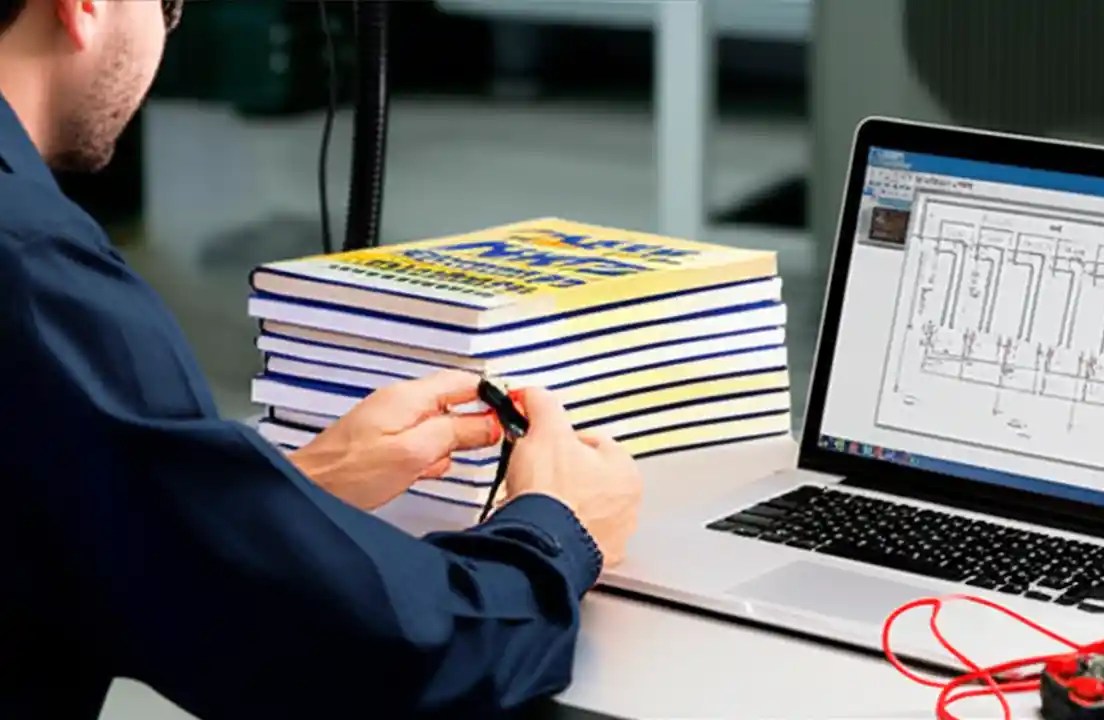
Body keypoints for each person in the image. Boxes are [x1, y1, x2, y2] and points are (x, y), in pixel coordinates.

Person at [0, 1, 643, 718]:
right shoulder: (33, 270)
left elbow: (75, 528)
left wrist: (298, 487)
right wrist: (554, 532)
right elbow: (368, 662)